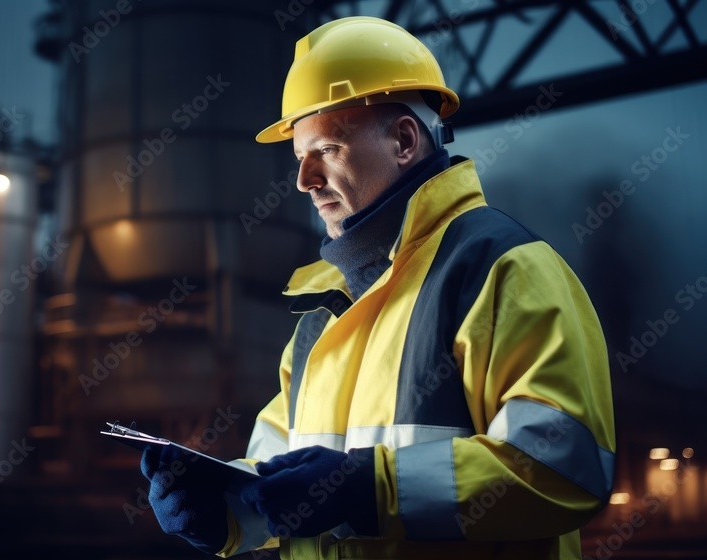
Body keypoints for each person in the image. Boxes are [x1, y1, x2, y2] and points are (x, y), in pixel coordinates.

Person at [140, 16, 615, 560]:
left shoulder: (502, 269)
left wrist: (370, 488)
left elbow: (563, 467)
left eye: (327, 150)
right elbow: (279, 480)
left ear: (405, 141)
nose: (304, 181)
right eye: (299, 158)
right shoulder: (322, 315)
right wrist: (221, 506)